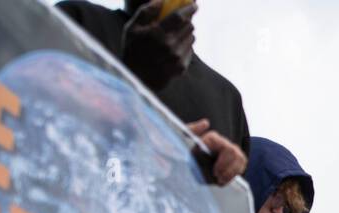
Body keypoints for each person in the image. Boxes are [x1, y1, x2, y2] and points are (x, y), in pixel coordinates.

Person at [57, 0, 248, 184]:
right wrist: (134, 78)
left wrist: (186, 171)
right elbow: (44, 132)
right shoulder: (77, 21)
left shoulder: (227, 100)